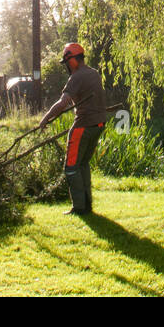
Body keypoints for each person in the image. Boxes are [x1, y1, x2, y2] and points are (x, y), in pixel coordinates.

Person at [38, 42, 108, 215]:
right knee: (83, 164)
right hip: (98, 124)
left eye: (67, 62)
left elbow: (63, 102)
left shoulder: (76, 77)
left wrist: (46, 118)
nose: (67, 66)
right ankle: (87, 204)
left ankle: (79, 207)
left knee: (71, 167)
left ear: (73, 60)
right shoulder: (94, 74)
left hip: (82, 126)